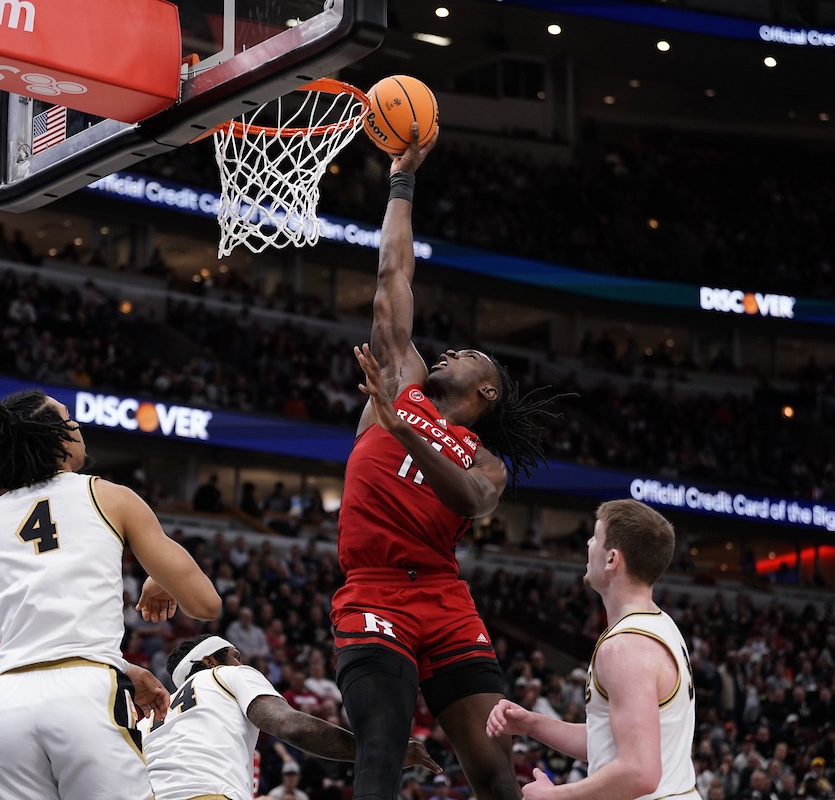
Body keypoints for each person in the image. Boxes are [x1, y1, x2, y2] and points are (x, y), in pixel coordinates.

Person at [332, 125, 562, 800]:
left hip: (442, 597)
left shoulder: (486, 462)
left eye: (464, 356)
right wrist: (402, 180)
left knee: (492, 769)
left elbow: (466, 499)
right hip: (373, 589)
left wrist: (403, 428)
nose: (445, 354)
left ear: (486, 391)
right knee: (382, 740)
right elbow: (393, 273)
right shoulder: (397, 382)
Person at [0, 389, 222, 800]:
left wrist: (123, 669)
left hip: (4, 704)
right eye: (69, 419)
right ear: (58, 438)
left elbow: (6, 644)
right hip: (84, 697)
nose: (79, 427)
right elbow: (206, 604)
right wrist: (161, 578)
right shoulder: (107, 495)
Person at [485, 499, 698, 800]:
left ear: (612, 559)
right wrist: (533, 724)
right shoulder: (661, 625)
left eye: (595, 536)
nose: (588, 543)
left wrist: (556, 797)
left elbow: (639, 773)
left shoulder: (626, 648)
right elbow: (611, 741)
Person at [139, 634, 438, 800]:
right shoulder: (225, 674)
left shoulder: (153, 716)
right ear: (210, 661)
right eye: (236, 655)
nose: (241, 662)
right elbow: (288, 725)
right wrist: (381, 753)